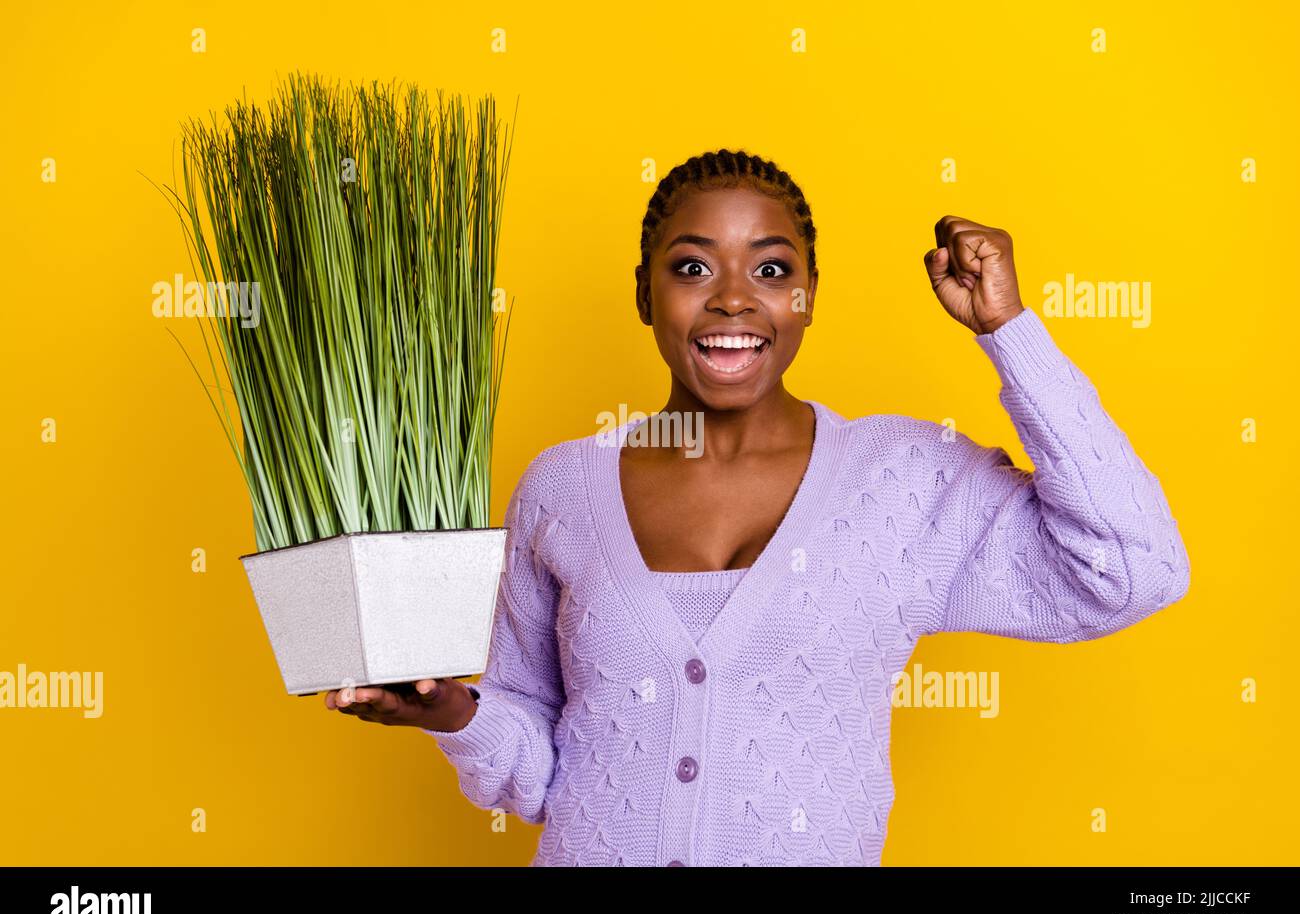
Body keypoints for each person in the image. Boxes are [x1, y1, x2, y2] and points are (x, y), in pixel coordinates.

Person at [325, 149, 1191, 865]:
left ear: (810, 294)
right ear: (644, 293)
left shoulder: (904, 477)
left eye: (772, 269)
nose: (733, 297)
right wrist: (451, 712)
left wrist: (1010, 332)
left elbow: (1132, 570)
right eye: (693, 266)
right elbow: (542, 770)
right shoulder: (560, 488)